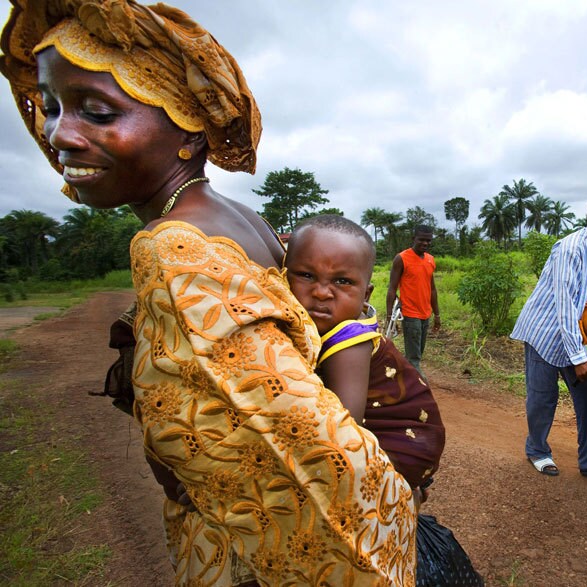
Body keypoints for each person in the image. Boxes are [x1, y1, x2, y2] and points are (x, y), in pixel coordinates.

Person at [0, 2, 416, 585]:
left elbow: (312, 456)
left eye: (97, 111)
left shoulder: (174, 249)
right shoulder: (241, 217)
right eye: (50, 107)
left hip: (243, 557)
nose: (60, 133)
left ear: (187, 132)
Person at [284, 215, 446, 492]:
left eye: (343, 281)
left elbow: (343, 431)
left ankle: (404, 496)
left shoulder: (350, 342)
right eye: (306, 275)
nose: (322, 292)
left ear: (366, 294)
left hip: (401, 446)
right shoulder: (311, 326)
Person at [510, 193, 587, 477]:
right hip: (545, 332)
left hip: (575, 334)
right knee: (542, 397)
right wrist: (578, 358)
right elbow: (565, 306)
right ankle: (537, 450)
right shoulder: (570, 249)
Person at [386, 225, 440, 374]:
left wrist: (437, 315)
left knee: (417, 353)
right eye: (421, 240)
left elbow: (432, 289)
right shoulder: (402, 258)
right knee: (414, 358)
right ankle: (419, 389)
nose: (425, 243)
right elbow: (392, 289)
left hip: (425, 314)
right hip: (410, 314)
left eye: (428, 241)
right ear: (413, 238)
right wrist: (390, 317)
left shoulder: (430, 260)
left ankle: (402, 376)